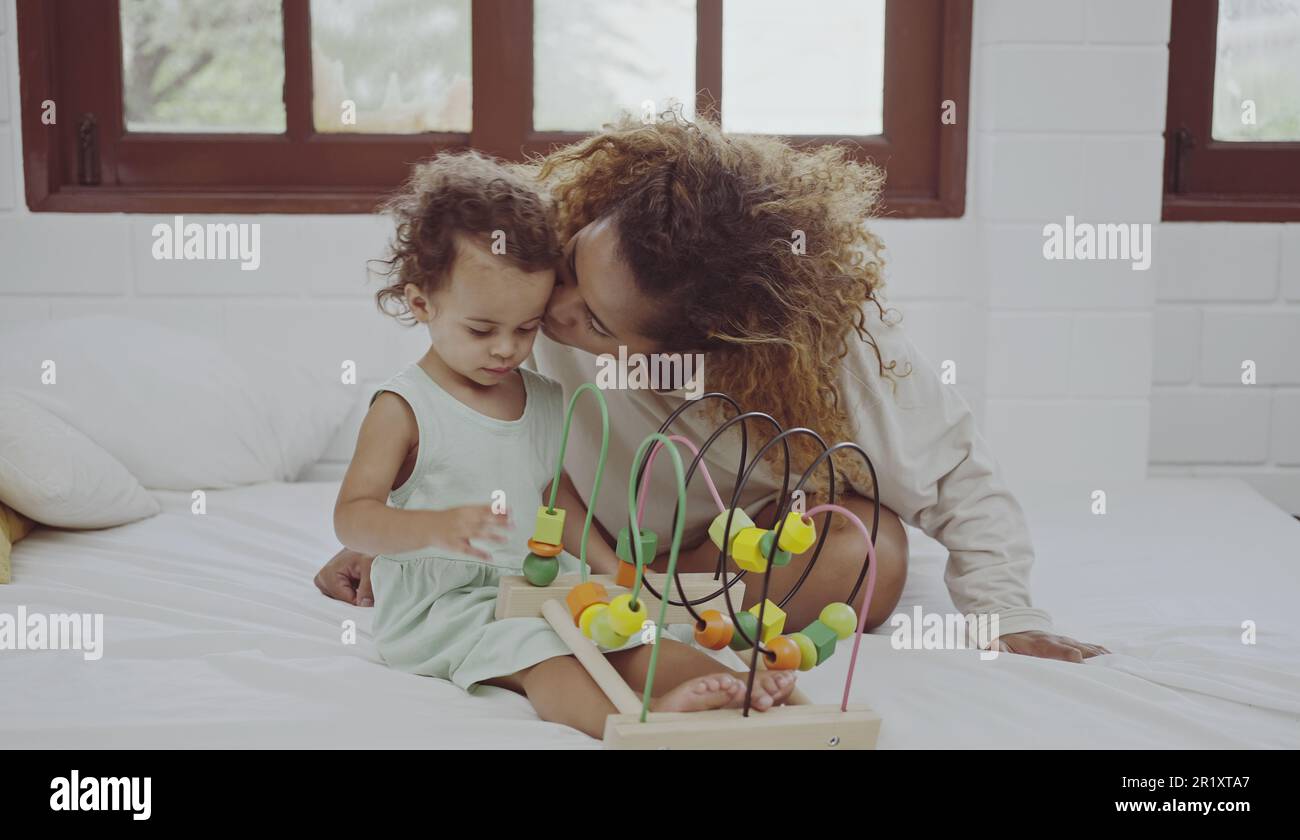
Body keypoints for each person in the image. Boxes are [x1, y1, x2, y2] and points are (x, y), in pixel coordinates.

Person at [318, 114, 1108, 664]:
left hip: (717, 555)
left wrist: (1009, 615)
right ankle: (625, 606)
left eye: (595, 321)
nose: (553, 313)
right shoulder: (537, 270)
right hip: (575, 532)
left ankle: (656, 614)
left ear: (701, 346)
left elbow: (957, 476)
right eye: (572, 265)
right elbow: (463, 398)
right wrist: (388, 529)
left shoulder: (827, 361)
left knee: (870, 551)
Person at [334, 150, 798, 739]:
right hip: (449, 602)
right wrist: (432, 527)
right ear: (422, 303)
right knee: (543, 651)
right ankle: (625, 723)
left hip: (535, 582)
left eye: (526, 328)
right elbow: (353, 517)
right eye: (482, 330)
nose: (507, 349)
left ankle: (732, 686)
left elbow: (555, 496)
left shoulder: (543, 397)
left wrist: (614, 570)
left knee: (628, 627)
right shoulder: (404, 408)